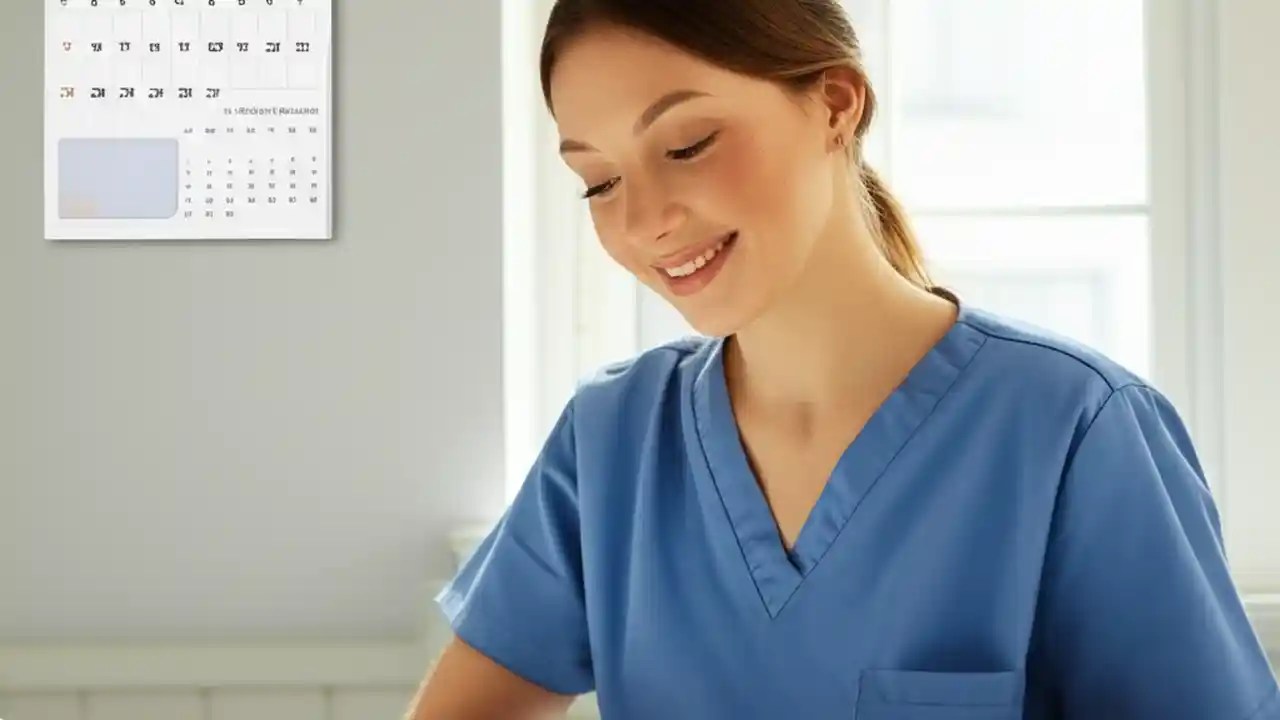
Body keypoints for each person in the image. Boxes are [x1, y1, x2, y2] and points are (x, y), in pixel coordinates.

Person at [409, 1, 1280, 718]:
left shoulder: (1074, 429)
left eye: (686, 145)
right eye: (599, 181)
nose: (642, 222)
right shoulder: (610, 445)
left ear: (834, 104)